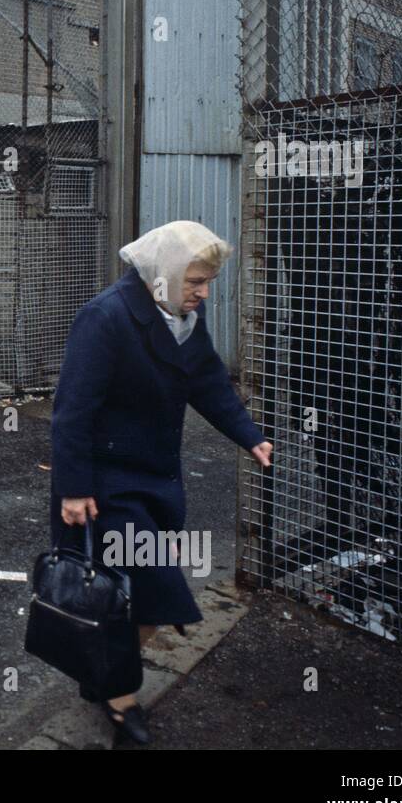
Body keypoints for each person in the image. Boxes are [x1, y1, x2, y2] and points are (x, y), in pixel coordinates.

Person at [50, 221, 273, 744]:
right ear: (163, 275)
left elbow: (210, 384)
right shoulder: (106, 318)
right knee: (152, 591)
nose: (204, 292)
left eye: (209, 281)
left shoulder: (182, 319)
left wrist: (250, 437)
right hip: (106, 488)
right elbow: (71, 412)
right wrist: (75, 488)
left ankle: (101, 674)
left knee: (130, 597)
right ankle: (123, 705)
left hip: (153, 483)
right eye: (196, 280)